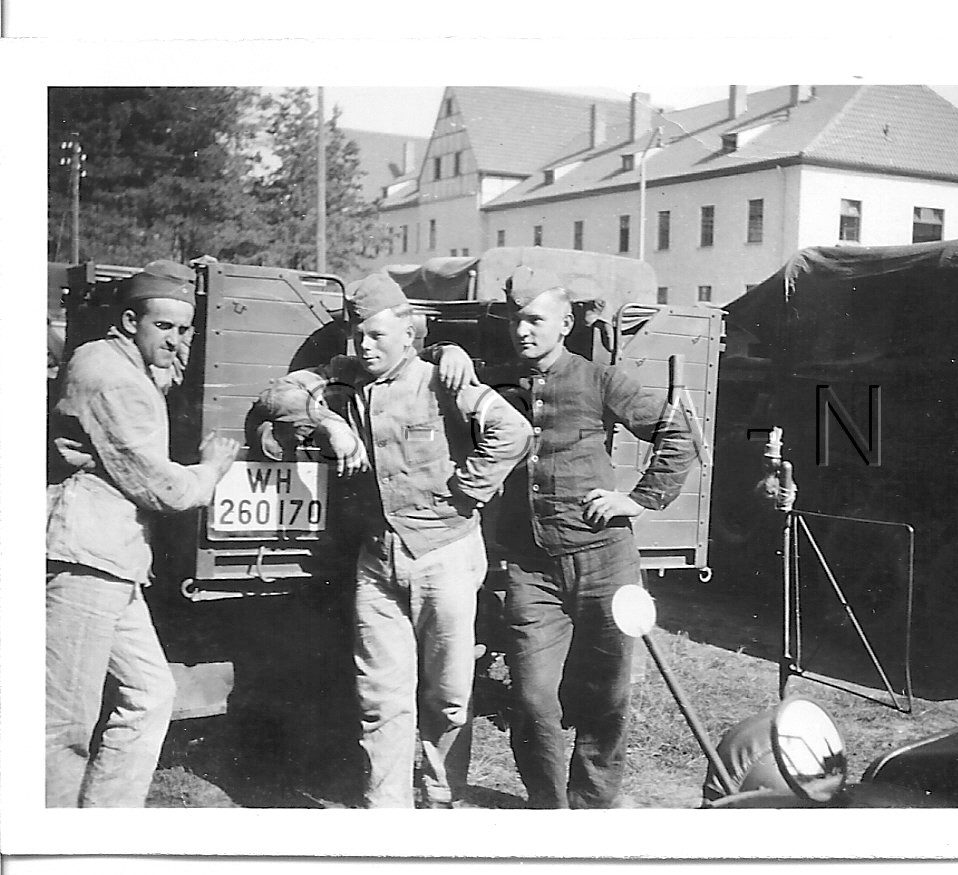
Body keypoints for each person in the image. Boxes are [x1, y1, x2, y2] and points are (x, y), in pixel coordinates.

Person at [253, 273, 530, 808]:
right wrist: (327, 422)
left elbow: (511, 430)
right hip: (377, 561)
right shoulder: (344, 376)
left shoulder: (440, 378)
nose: (365, 345)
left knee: (448, 695)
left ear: (409, 332)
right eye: (357, 334)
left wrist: (466, 493)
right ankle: (387, 810)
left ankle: (441, 793)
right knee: (380, 694)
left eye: (377, 334)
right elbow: (279, 394)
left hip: (444, 554)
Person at [488, 266, 697, 808]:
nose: (523, 331)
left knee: (606, 695)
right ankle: (550, 811)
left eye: (535, 320)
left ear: (564, 324)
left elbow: (677, 434)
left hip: (605, 559)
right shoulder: (499, 387)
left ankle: (592, 809)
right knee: (534, 699)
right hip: (532, 571)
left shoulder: (598, 379)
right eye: (516, 320)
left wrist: (640, 498)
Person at [45, 260, 241, 807]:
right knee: (64, 723)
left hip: (116, 560)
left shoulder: (123, 367)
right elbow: (163, 488)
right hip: (85, 557)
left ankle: (105, 827)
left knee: (151, 695)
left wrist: (161, 373)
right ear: (130, 321)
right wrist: (210, 470)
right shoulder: (105, 372)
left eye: (185, 330)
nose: (176, 341)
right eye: (164, 328)